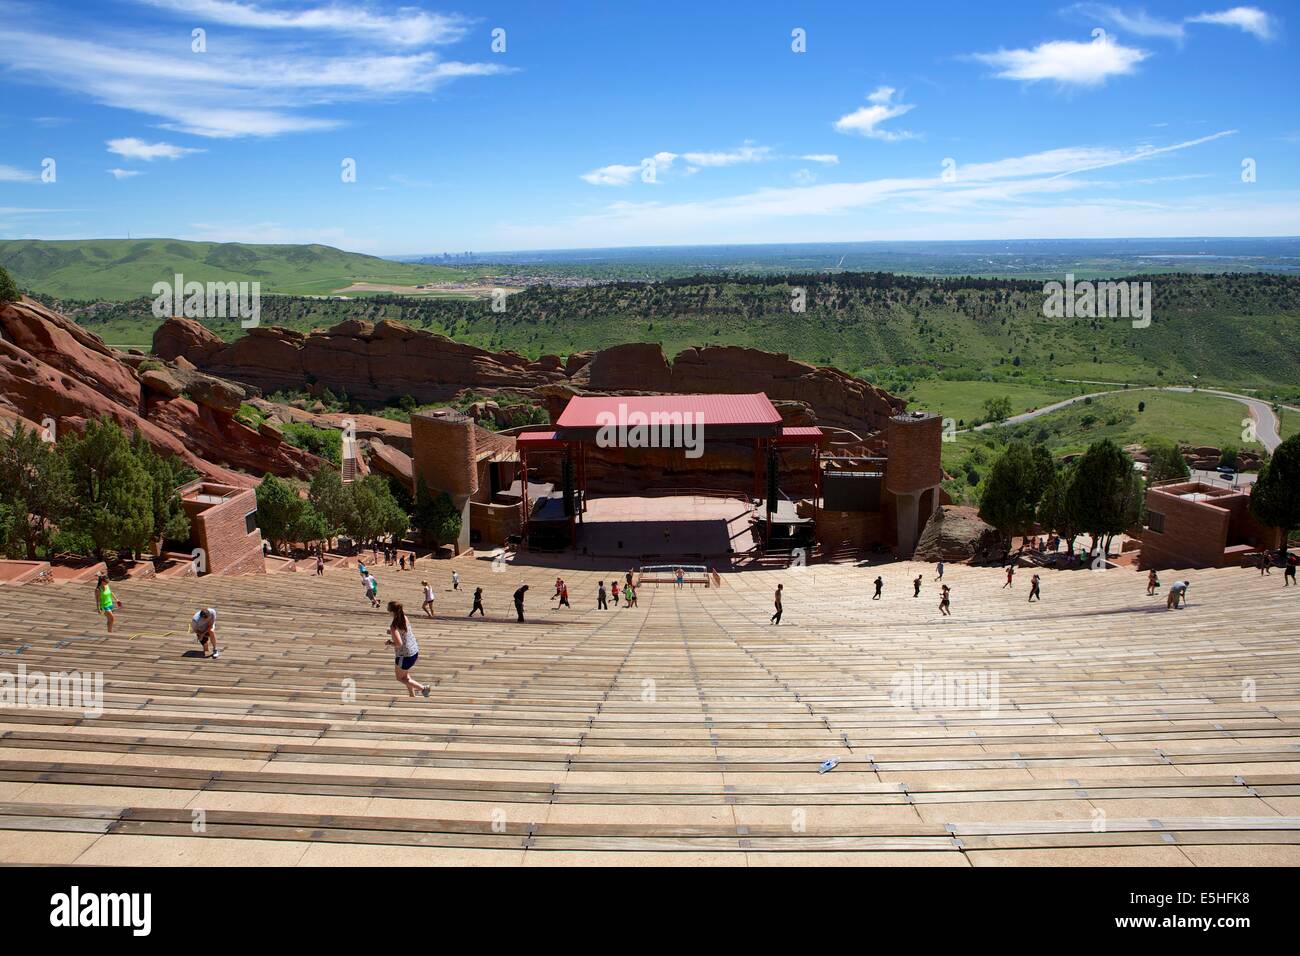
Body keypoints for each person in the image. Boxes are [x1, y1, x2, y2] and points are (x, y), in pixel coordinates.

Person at [386, 602, 430, 698]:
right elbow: (404, 631)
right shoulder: (404, 618)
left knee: (400, 678)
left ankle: (423, 689)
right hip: (414, 651)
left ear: (392, 612)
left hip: (404, 656)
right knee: (405, 675)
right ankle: (412, 695)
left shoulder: (394, 626)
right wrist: (392, 633)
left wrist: (390, 643)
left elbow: (399, 644)